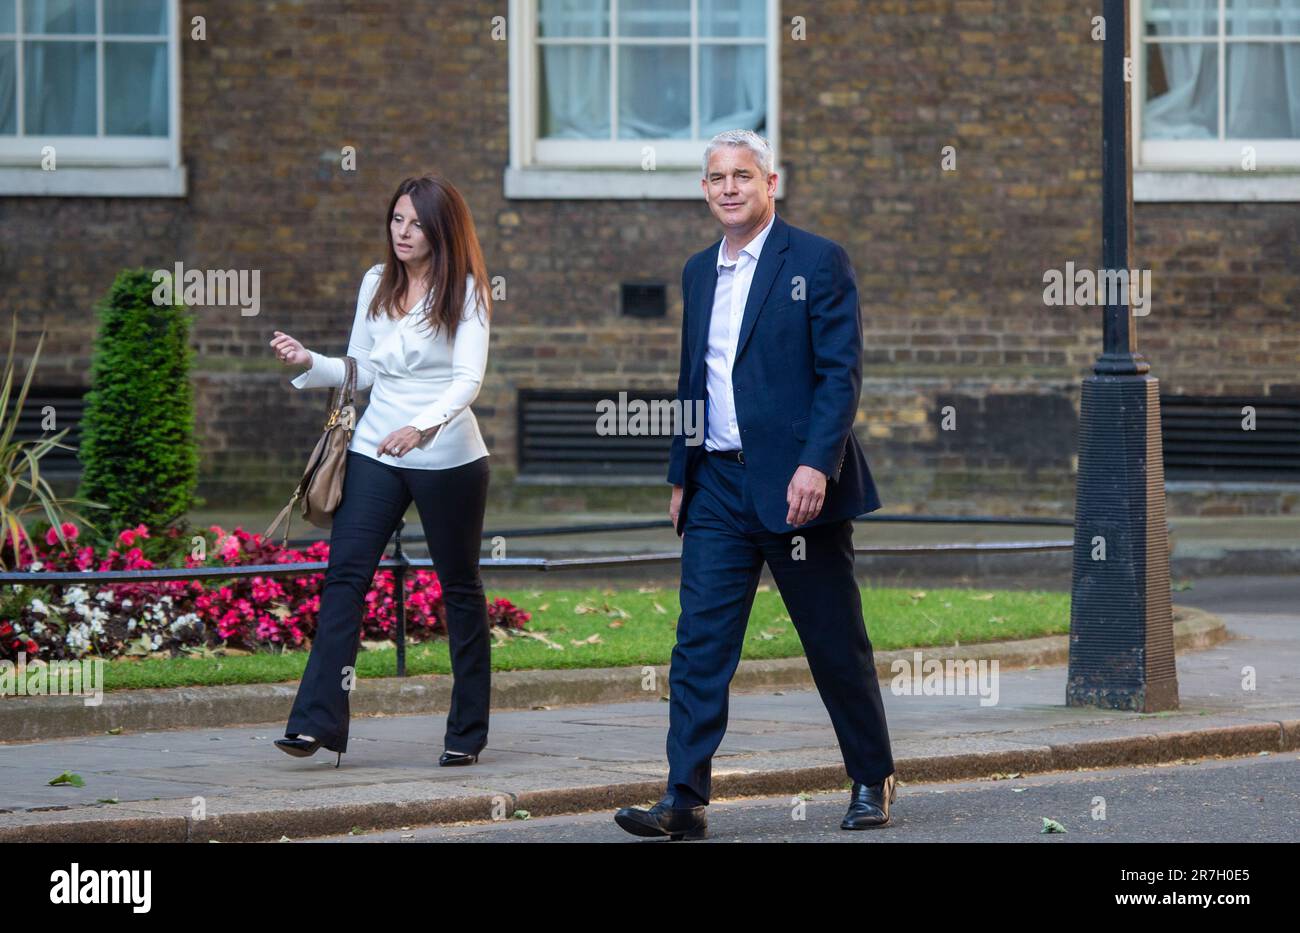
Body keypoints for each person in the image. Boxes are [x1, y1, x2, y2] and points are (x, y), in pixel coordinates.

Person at [613, 130, 897, 840]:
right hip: (717, 486)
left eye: (743, 175)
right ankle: (683, 798)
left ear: (773, 182)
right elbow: (692, 379)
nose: (729, 187)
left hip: (799, 488)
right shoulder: (697, 271)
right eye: (717, 177)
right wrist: (682, 471)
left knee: (833, 640)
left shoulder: (818, 260)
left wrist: (815, 463)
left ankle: (872, 774)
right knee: (699, 644)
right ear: (705, 190)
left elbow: (841, 373)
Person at [268, 174, 493, 768]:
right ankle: (315, 723)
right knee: (345, 577)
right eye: (397, 219)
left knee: (460, 588)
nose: (403, 232)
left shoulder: (466, 291)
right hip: (373, 450)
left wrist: (423, 426)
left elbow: (468, 380)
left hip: (448, 457)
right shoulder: (376, 281)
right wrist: (307, 361)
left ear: (441, 230)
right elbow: (361, 370)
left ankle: (466, 732)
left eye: (416, 223)